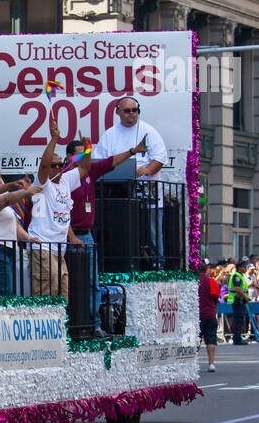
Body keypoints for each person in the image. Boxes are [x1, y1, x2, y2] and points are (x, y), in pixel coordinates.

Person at [68, 136, 146, 330]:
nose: (85, 156)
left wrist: (133, 151)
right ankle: (73, 324)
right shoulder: (65, 176)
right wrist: (71, 237)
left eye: (87, 153)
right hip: (68, 236)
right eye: (81, 153)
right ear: (69, 156)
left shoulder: (90, 172)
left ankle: (94, 325)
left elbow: (112, 161)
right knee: (71, 282)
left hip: (87, 234)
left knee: (93, 282)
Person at [93, 96, 170, 266]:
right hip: (118, 196)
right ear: (118, 112)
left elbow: (159, 158)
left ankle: (157, 264)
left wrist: (147, 170)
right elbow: (99, 162)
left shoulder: (149, 131)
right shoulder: (110, 135)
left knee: (152, 233)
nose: (131, 114)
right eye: (127, 110)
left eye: (134, 110)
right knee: (121, 231)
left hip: (147, 193)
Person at [26, 120, 86, 296]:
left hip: (59, 248)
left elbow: (84, 166)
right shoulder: (43, 183)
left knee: (62, 290)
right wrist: (54, 139)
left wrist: (88, 148)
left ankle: (61, 324)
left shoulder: (66, 180)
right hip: (42, 245)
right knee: (47, 291)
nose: (58, 168)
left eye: (60, 164)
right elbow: (44, 166)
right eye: (54, 165)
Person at [0, 167, 41, 296]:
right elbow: (5, 200)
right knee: (2, 293)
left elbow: (15, 226)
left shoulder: (4, 204)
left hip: (6, 249)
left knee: (6, 292)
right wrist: (26, 193)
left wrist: (29, 238)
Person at [197, 262, 219, 371]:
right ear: (206, 270)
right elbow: (216, 296)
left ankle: (193, 362)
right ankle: (211, 363)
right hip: (210, 313)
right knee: (210, 339)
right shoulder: (211, 281)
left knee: (194, 340)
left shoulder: (193, 281)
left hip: (196, 315)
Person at [224, 262, 251, 345]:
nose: (245, 269)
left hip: (240, 301)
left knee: (239, 320)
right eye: (244, 267)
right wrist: (245, 297)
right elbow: (237, 289)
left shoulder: (240, 276)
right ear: (239, 268)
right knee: (238, 320)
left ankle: (238, 337)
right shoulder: (236, 276)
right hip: (237, 301)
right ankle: (237, 339)